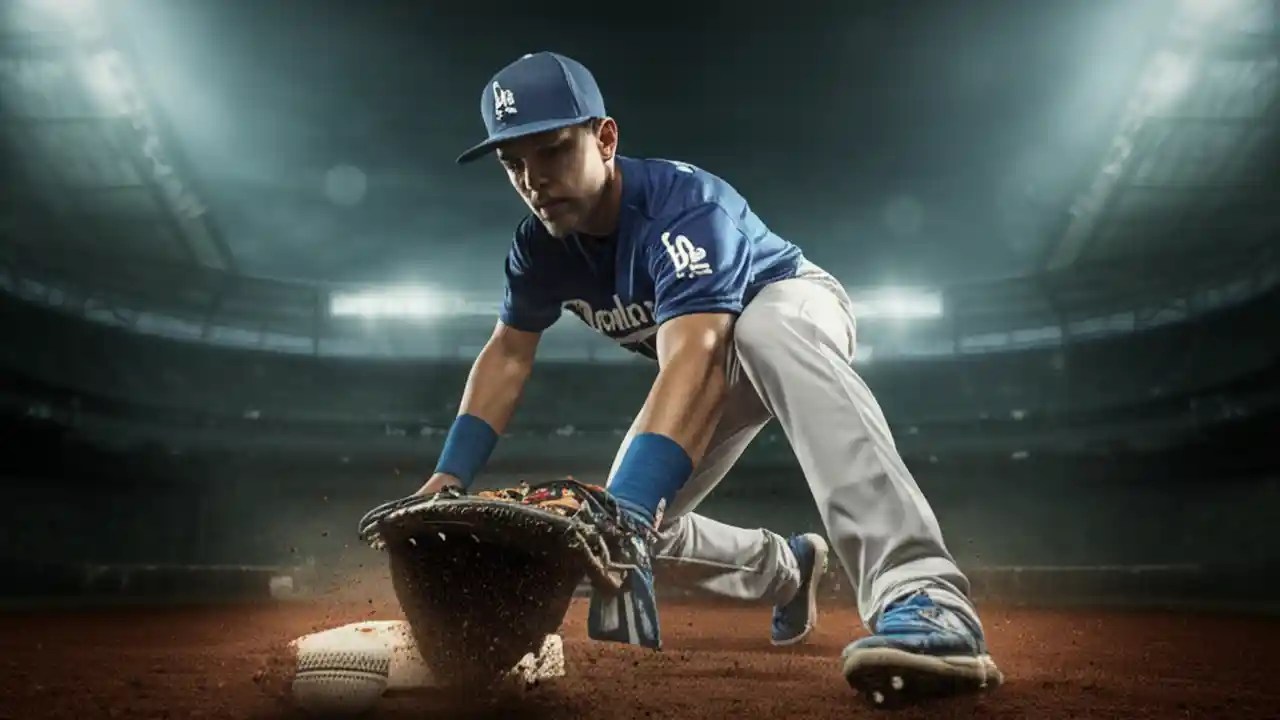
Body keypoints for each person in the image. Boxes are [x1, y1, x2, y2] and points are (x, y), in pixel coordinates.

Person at [416, 51, 1003, 706]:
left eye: (551, 150)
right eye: (513, 163)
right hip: (704, 357)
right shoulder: (539, 247)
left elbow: (696, 357)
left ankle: (923, 592)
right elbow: (508, 355)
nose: (533, 178)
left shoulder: (685, 208)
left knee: (754, 338)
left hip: (792, 309)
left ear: (605, 138)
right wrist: (449, 474)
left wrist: (633, 507)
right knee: (615, 527)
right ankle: (785, 567)